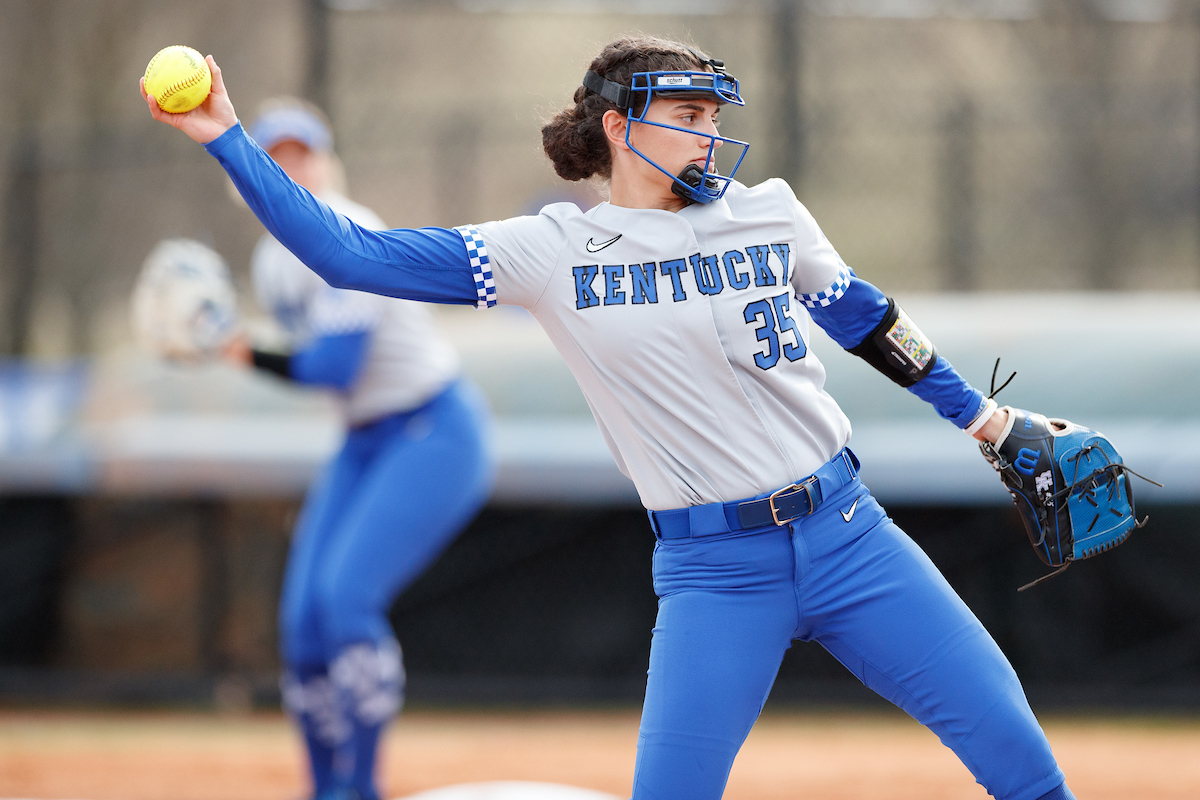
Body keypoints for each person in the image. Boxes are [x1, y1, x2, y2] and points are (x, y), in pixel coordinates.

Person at [142, 36, 1074, 800]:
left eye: (716, 117)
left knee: (1025, 769)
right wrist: (226, 136)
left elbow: (869, 320)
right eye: (690, 117)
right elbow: (352, 257)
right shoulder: (554, 252)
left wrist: (986, 422)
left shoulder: (771, 215)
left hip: (851, 536)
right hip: (717, 573)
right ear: (623, 129)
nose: (712, 136)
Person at [225, 98, 494, 800]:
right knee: (302, 624)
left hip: (433, 431)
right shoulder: (271, 259)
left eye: (302, 154)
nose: (292, 168)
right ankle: (324, 789)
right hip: (365, 438)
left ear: (326, 162)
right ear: (248, 172)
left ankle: (359, 787)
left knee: (346, 598)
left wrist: (243, 349)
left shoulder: (351, 231)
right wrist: (243, 346)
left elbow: (332, 368)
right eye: (275, 157)